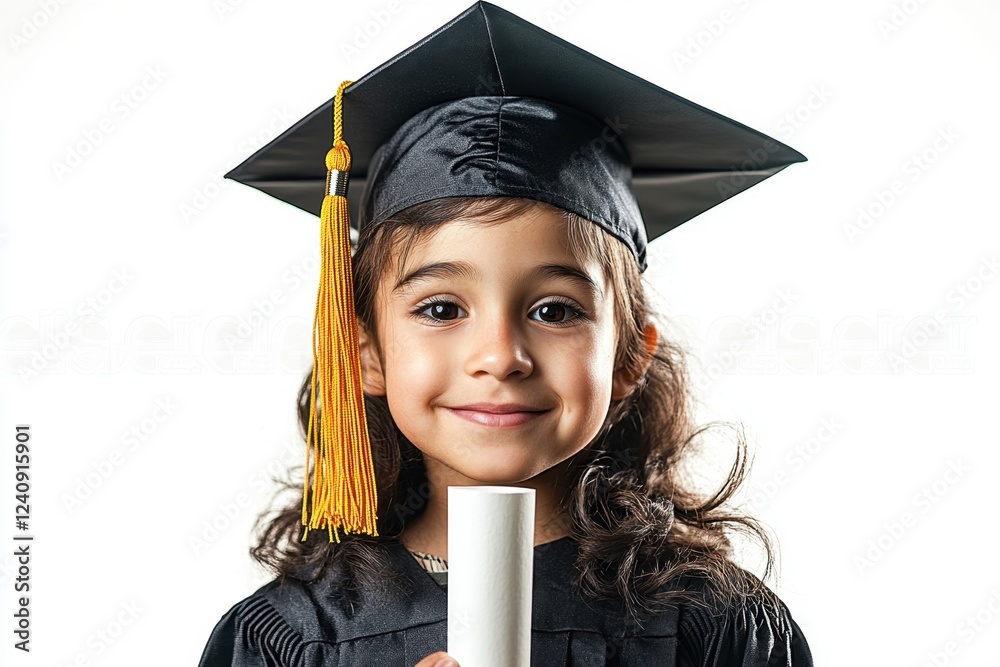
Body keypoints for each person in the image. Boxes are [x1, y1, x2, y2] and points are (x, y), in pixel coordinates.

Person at [198, 3, 812, 665]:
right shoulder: (291, 635)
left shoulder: (714, 626)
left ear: (629, 355)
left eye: (554, 310)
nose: (500, 356)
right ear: (364, 352)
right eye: (440, 309)